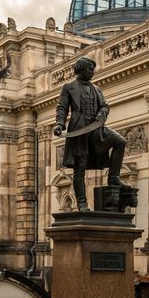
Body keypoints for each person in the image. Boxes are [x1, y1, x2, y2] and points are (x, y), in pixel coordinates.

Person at [54, 58, 126, 212]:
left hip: (97, 129)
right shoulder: (69, 87)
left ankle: (113, 177)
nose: (92, 72)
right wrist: (60, 124)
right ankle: (82, 203)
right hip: (79, 131)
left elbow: (105, 106)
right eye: (90, 69)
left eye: (93, 69)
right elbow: (62, 107)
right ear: (81, 69)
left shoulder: (97, 89)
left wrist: (102, 114)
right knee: (79, 168)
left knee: (120, 141)